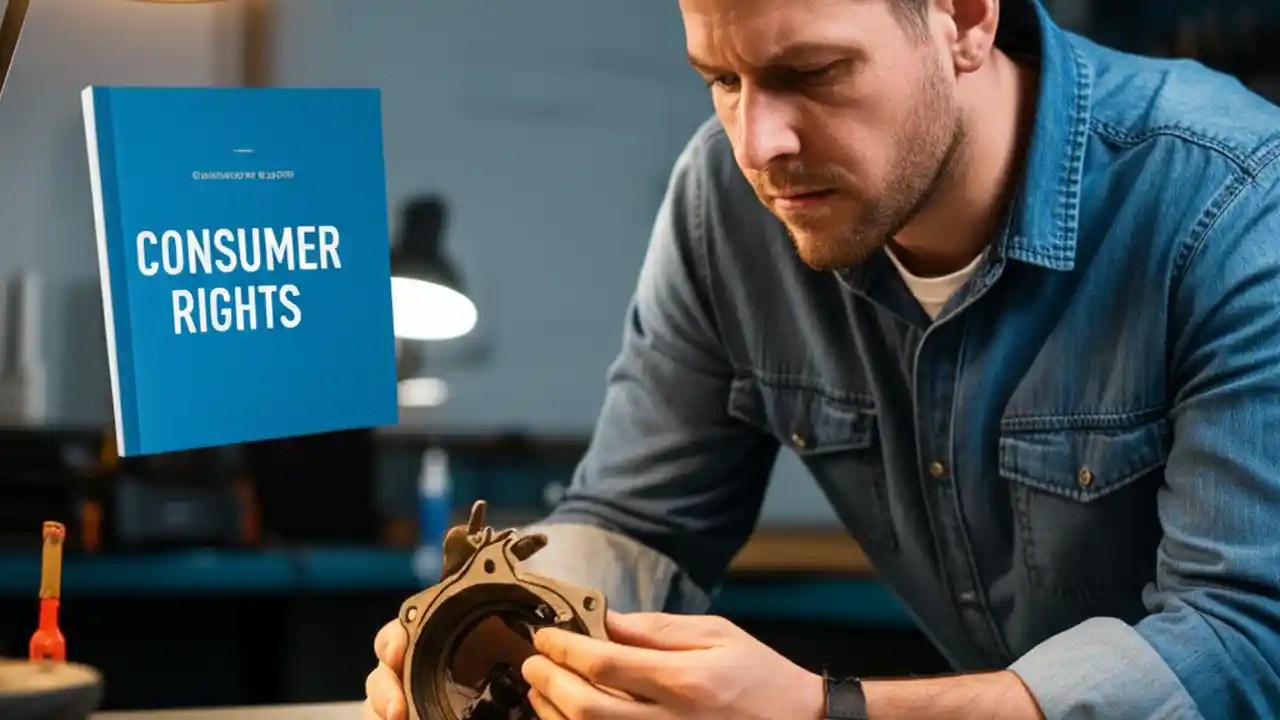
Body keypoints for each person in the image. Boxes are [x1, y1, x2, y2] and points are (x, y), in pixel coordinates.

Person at [366, 0, 1280, 717]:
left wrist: (822, 711)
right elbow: (634, 523)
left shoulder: (1232, 202)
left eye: (811, 71)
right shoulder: (724, 203)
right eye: (720, 78)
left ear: (964, 18)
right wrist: (495, 627)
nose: (759, 146)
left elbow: (1241, 650)